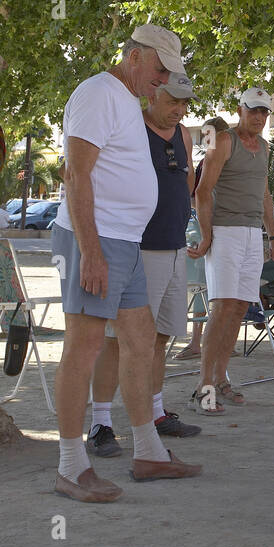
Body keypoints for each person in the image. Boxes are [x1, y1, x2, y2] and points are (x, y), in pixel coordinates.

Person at [51, 25, 202, 502]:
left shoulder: (125, 100)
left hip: (126, 241)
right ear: (134, 57)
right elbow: (77, 173)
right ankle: (72, 467)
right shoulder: (97, 92)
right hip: (95, 239)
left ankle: (149, 452)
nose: (162, 82)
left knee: (140, 341)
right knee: (86, 345)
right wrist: (91, 250)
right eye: (159, 71)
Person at [86, 73, 203, 457]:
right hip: (136, 248)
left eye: (185, 104)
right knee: (118, 340)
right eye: (173, 101)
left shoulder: (184, 135)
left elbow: (185, 187)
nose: (179, 110)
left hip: (174, 247)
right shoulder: (132, 127)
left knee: (161, 336)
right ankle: (100, 423)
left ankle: (155, 414)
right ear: (154, 95)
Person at [187, 88, 274, 413]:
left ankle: (221, 378)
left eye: (264, 112)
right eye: (253, 110)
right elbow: (202, 191)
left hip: (253, 235)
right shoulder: (224, 140)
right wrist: (207, 235)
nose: (258, 117)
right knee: (222, 307)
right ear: (240, 109)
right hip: (225, 233)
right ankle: (204, 387)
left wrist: (273, 236)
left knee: (240, 307)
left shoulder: (266, 147)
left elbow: (265, 193)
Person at [175, 117, 229, 361]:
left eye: (208, 134)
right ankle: (210, 340)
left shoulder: (209, 161)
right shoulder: (214, 160)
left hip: (204, 226)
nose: (205, 139)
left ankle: (198, 341)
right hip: (217, 226)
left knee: (200, 285)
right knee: (210, 286)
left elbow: (197, 196)